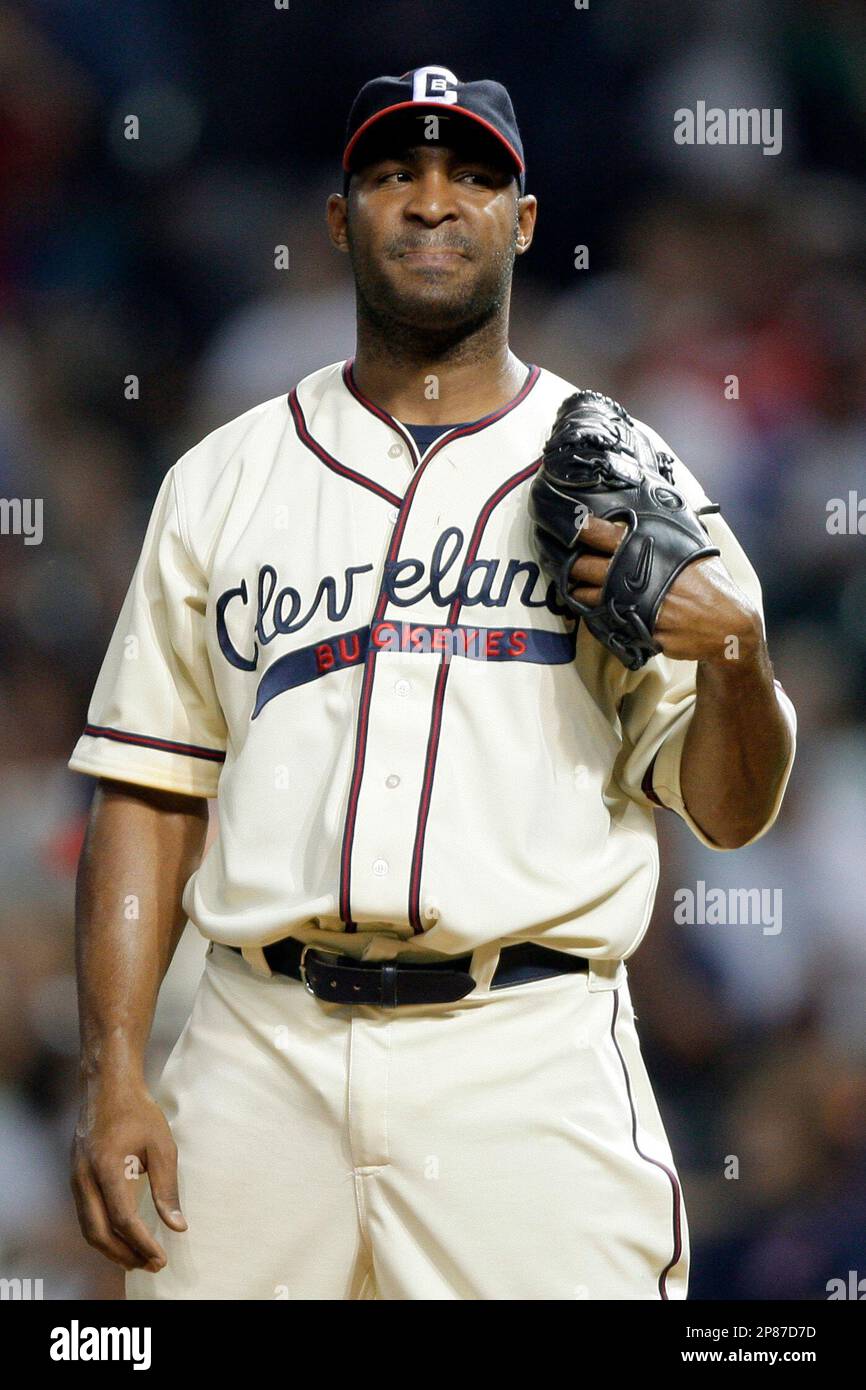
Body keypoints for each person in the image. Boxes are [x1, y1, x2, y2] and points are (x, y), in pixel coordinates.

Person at [68, 65, 797, 1300]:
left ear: (519, 221)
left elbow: (727, 808)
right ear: (339, 218)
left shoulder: (630, 476)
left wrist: (734, 657)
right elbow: (148, 793)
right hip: (260, 1046)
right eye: (393, 172)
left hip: (522, 1048)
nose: (428, 200)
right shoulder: (223, 478)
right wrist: (116, 1074)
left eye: (469, 174)